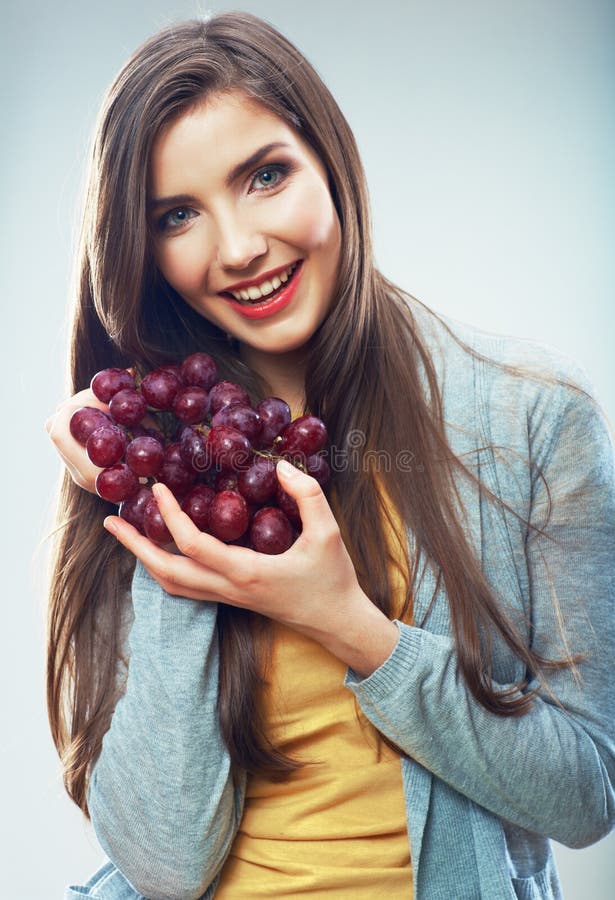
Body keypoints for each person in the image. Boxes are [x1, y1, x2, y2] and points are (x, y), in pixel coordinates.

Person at [45, 11, 614, 900]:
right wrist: (169, 505)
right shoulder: (144, 448)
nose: (238, 248)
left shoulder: (533, 418)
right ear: (142, 249)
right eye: (178, 215)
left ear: (330, 163)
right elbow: (163, 860)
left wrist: (355, 630)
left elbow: (584, 794)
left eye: (265, 176)